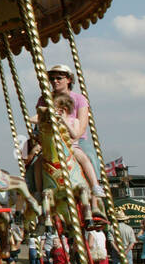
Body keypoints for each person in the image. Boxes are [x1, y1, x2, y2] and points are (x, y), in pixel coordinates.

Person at [35, 64, 101, 210]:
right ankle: (36, 195)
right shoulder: (44, 99)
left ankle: (95, 197)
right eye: (51, 78)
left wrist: (70, 139)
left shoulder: (79, 99)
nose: (54, 81)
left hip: (75, 140)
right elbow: (38, 121)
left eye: (59, 78)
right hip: (50, 141)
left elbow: (82, 125)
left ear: (69, 79)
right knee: (35, 162)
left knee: (89, 156)